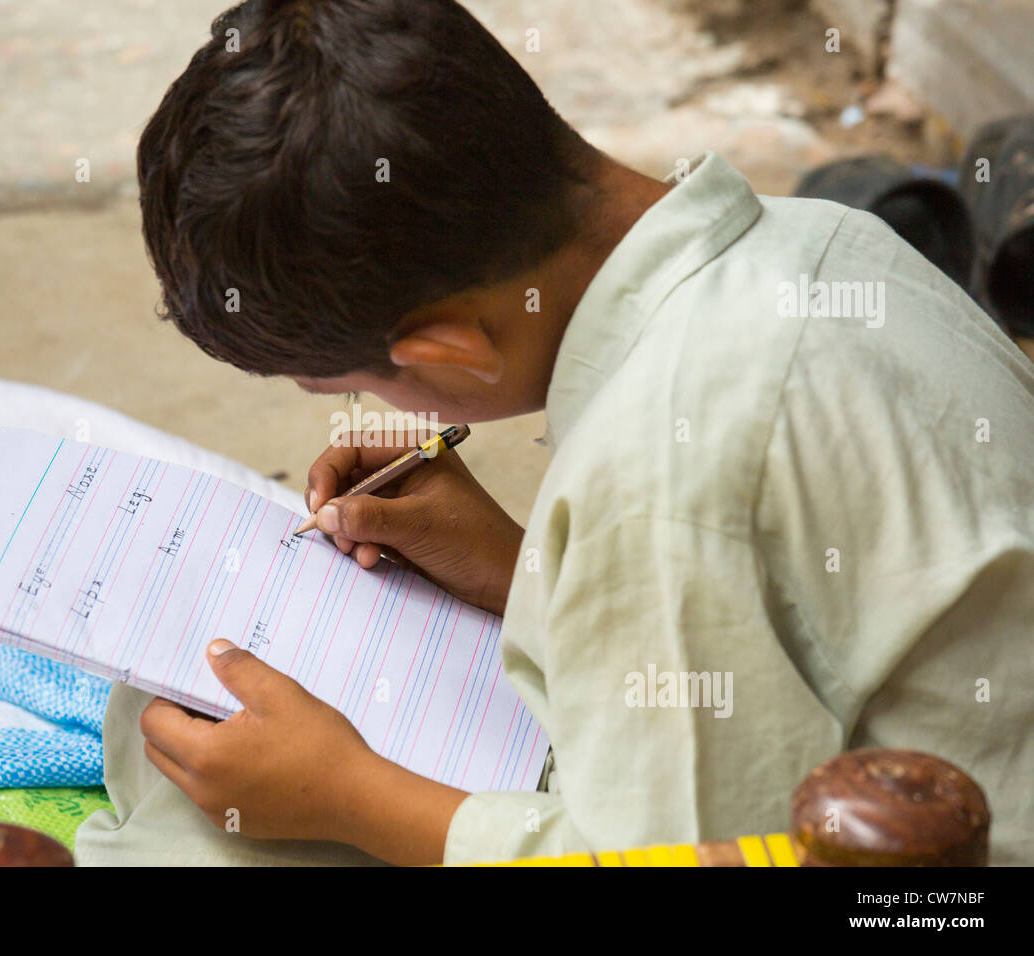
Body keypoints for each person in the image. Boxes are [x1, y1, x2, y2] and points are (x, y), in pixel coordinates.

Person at [75, 0, 1034, 866]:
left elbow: (673, 857)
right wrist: (525, 570)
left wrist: (352, 797)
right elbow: (790, 583)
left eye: (349, 385)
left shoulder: (659, 475)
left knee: (185, 834)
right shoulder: (826, 238)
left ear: (449, 351)